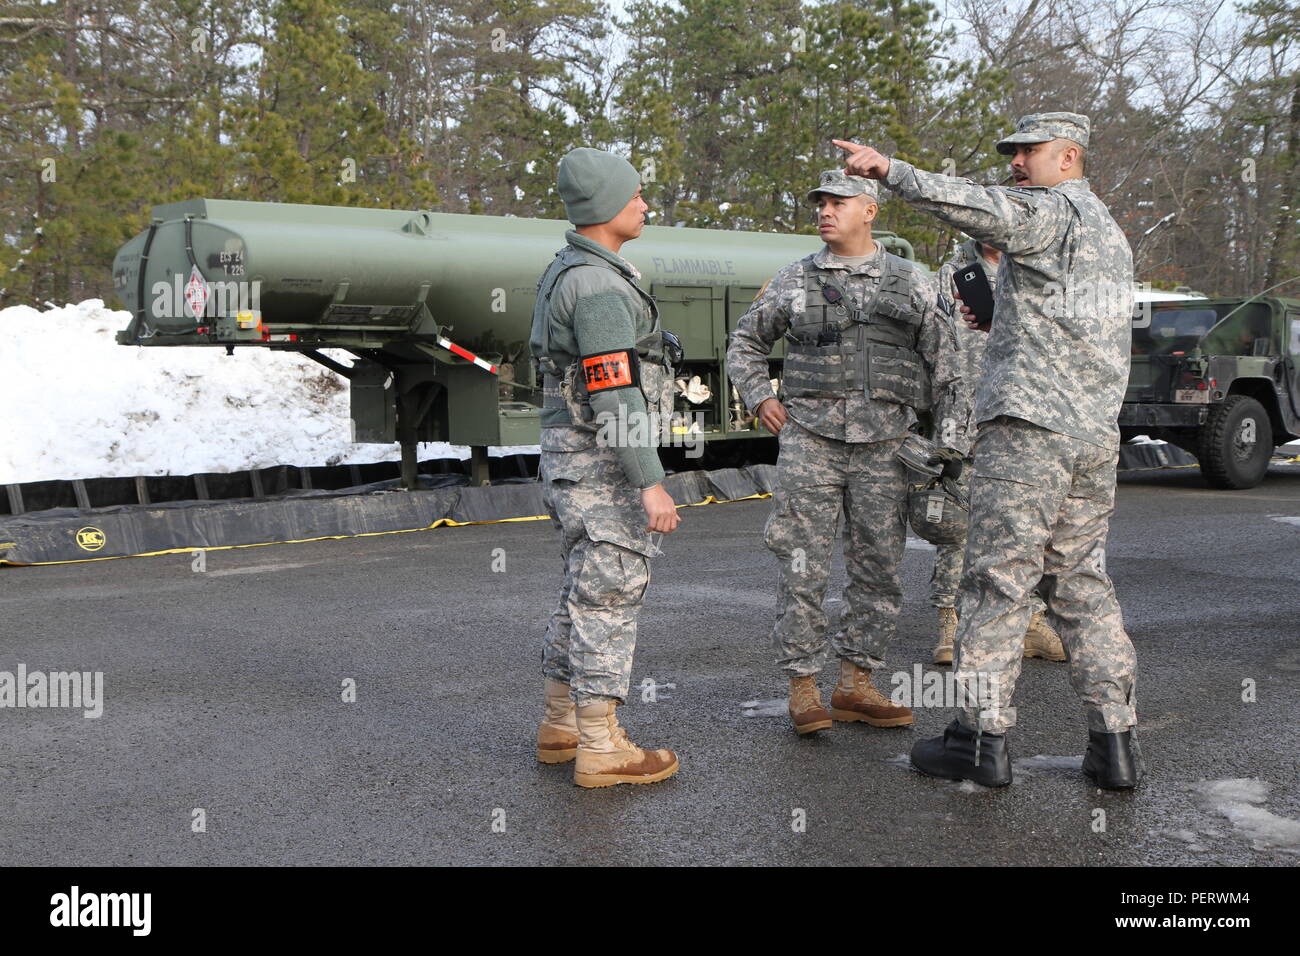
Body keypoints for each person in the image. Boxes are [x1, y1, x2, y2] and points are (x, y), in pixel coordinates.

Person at [834, 112, 1142, 789]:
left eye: (1028, 152)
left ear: (1068, 156)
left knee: (997, 581)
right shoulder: (1110, 236)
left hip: (1029, 433)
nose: (1015, 163)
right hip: (1092, 436)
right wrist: (1005, 316)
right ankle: (1115, 744)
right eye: (1011, 153)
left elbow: (979, 209)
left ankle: (978, 740)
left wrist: (890, 171)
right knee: (1082, 583)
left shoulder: (1051, 211)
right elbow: (1074, 329)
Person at [726, 169, 966, 736]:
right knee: (801, 565)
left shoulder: (913, 283)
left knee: (879, 568)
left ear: (870, 210)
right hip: (812, 443)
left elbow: (951, 369)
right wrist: (760, 396)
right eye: (820, 203)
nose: (825, 211)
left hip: (887, 448)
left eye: (839, 202)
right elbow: (745, 343)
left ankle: (857, 683)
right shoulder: (794, 280)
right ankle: (804, 689)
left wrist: (950, 445)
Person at [529, 146, 681, 788]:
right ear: (605, 206)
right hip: (603, 463)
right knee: (610, 596)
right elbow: (615, 393)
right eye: (636, 194)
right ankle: (601, 743)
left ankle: (562, 724)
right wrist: (650, 482)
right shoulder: (597, 286)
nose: (645, 204)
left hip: (574, 458)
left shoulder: (573, 269)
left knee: (582, 591)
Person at [928, 238, 1065, 667]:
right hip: (961, 415)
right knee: (958, 523)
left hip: (1018, 413)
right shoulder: (951, 272)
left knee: (1025, 522)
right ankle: (950, 620)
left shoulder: (1034, 271)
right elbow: (930, 339)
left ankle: (1031, 621)